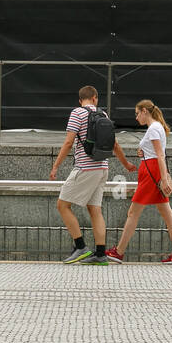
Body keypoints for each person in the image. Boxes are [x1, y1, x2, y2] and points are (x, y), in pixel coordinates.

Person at [51, 85, 135, 265]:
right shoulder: (103, 115)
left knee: (62, 205)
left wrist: (56, 166)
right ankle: (100, 253)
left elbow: (68, 143)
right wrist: (126, 164)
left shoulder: (77, 113)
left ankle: (80, 246)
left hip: (85, 168)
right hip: (103, 168)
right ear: (95, 98)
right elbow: (115, 145)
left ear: (80, 100)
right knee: (95, 209)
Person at [106, 100, 172, 264]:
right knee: (166, 212)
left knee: (133, 212)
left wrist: (164, 179)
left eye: (137, 113)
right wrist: (143, 152)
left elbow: (160, 155)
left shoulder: (154, 129)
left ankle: (119, 252)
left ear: (144, 111)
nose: (136, 118)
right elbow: (157, 153)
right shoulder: (156, 128)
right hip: (152, 171)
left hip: (151, 174)